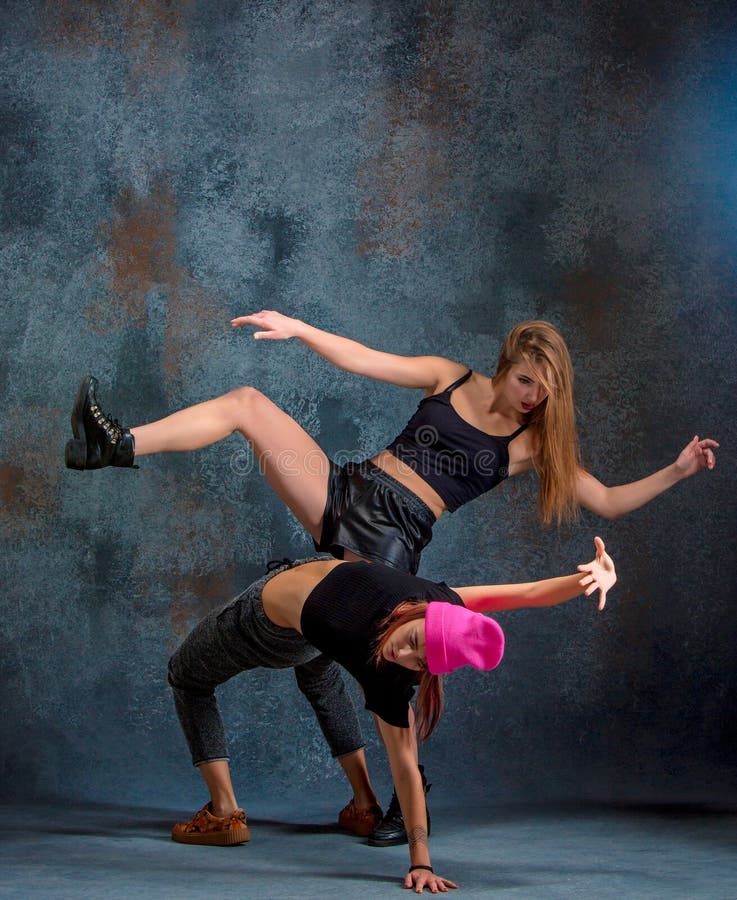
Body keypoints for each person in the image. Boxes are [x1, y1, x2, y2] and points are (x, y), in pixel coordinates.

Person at [64, 310, 717, 845]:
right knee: (247, 405)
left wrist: (676, 472)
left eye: (543, 390)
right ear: (505, 363)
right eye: (524, 380)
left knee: (352, 659)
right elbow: (364, 358)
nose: (531, 397)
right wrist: (300, 328)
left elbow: (602, 500)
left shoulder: (529, 446)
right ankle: (113, 446)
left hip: (389, 542)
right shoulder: (448, 377)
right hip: (347, 490)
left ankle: (404, 799)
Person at [167, 537, 615, 893]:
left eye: (418, 662)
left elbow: (405, 769)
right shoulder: (441, 603)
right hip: (313, 621)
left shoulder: (383, 669)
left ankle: (225, 813)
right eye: (415, 638)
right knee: (320, 679)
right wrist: (588, 578)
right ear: (424, 612)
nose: (404, 651)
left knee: (187, 676)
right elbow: (523, 594)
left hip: (267, 621)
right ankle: (363, 805)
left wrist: (421, 860)